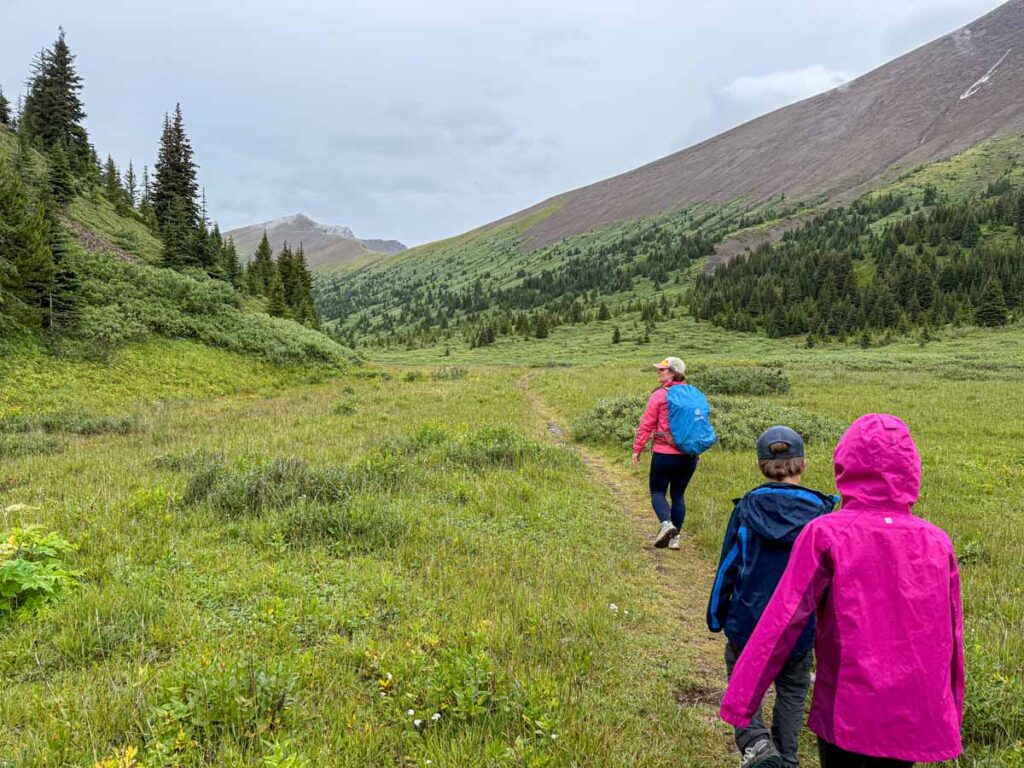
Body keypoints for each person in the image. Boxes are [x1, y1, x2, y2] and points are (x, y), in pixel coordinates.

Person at [721, 414, 965, 768]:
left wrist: (741, 701)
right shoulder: (936, 541)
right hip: (915, 709)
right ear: (912, 468)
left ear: (845, 462)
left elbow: (784, 620)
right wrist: (950, 713)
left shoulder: (825, 533)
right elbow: (950, 638)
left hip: (848, 706)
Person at [707, 426, 837, 768]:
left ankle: (757, 745)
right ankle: (787, 757)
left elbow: (729, 566)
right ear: (803, 464)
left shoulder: (748, 508)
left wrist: (716, 615)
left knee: (742, 682)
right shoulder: (823, 517)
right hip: (799, 627)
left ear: (761, 465)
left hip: (747, 621)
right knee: (793, 690)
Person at [632, 356, 698, 550]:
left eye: (662, 369)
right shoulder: (692, 394)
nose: (658, 372)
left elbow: (646, 425)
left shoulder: (660, 395)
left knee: (657, 492)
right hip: (689, 456)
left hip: (664, 454)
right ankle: (675, 539)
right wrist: (697, 450)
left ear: (673, 373)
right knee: (678, 495)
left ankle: (666, 524)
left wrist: (637, 449)